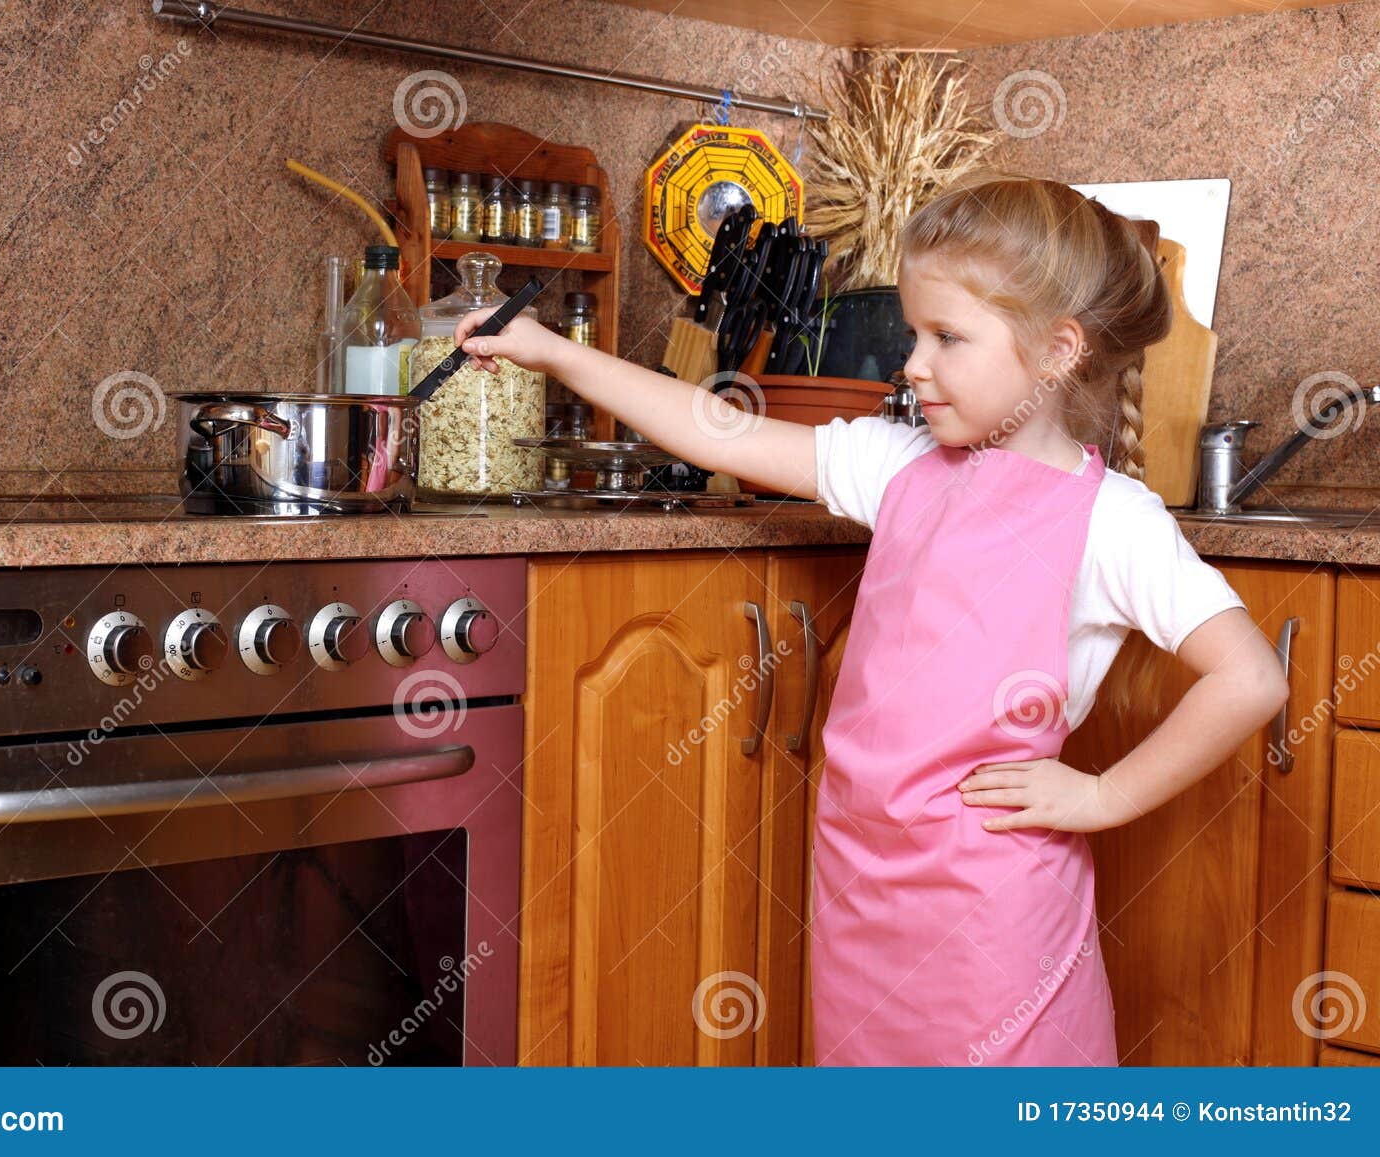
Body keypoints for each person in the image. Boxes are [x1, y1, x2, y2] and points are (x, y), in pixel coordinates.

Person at [451, 173, 1290, 1066]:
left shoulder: (1112, 520)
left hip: (990, 919)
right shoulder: (899, 465)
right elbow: (716, 430)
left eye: (947, 338)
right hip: (859, 887)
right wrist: (556, 353)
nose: (913, 363)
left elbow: (1251, 676)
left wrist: (1100, 795)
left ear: (1057, 351)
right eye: (914, 334)